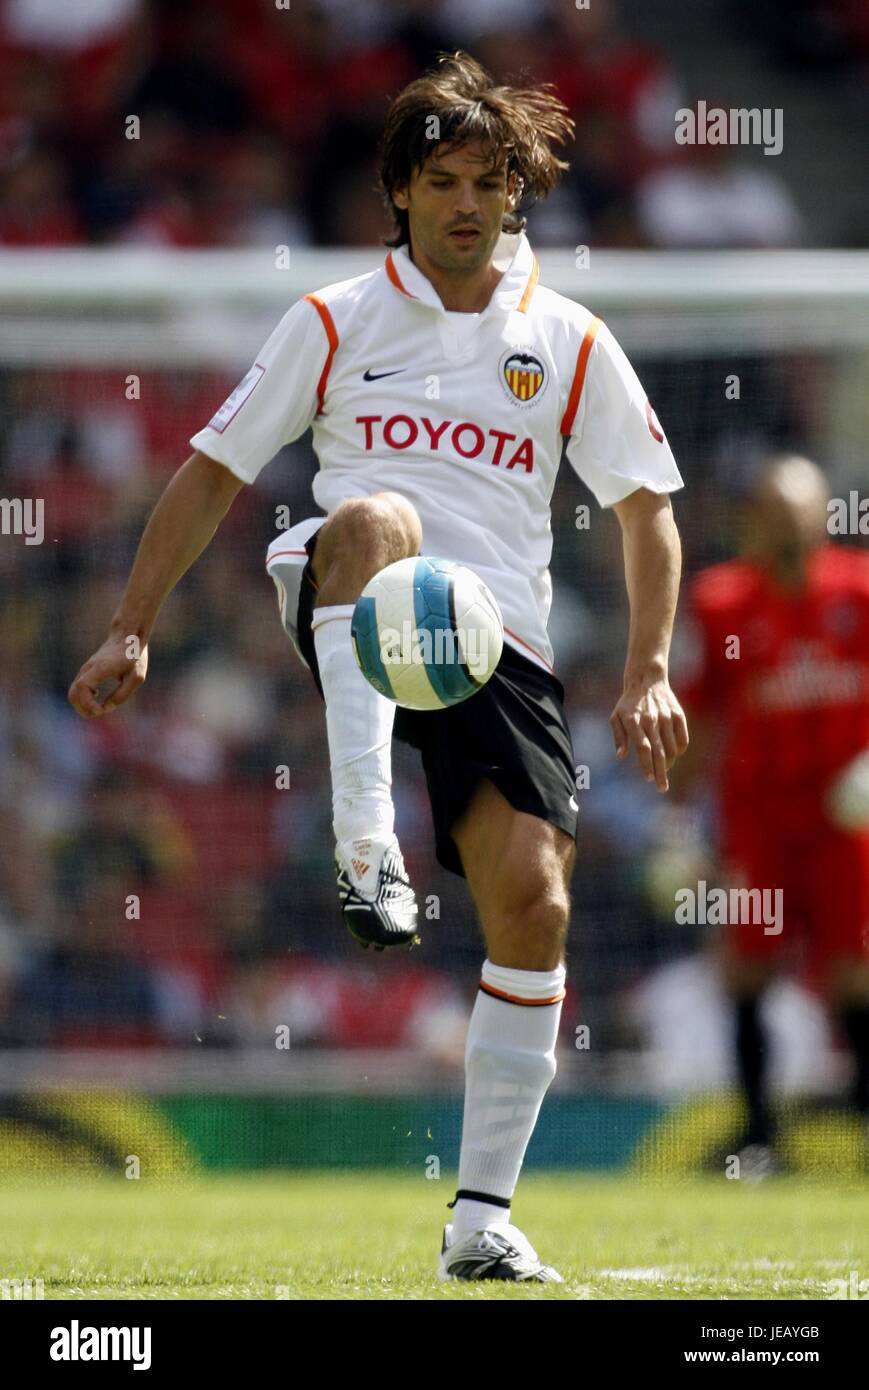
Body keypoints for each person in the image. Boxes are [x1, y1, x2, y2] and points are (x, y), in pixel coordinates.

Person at [69, 52, 688, 1281]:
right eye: (442, 180)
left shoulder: (566, 338)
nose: (466, 203)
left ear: (515, 195)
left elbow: (645, 509)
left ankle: (479, 1221)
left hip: (496, 642)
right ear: (399, 191)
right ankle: (365, 845)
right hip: (348, 589)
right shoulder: (332, 318)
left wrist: (649, 668)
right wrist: (133, 621)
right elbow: (212, 471)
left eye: (488, 183)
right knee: (375, 520)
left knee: (536, 907)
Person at [682, 455, 869, 1177]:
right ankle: (757, 1134)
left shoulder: (859, 590)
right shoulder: (721, 601)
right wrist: (679, 815)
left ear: (824, 515)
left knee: (855, 967)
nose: (790, 529)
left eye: (801, 513)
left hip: (845, 822)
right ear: (753, 520)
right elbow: (702, 713)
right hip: (758, 817)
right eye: (776, 514)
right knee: (747, 966)